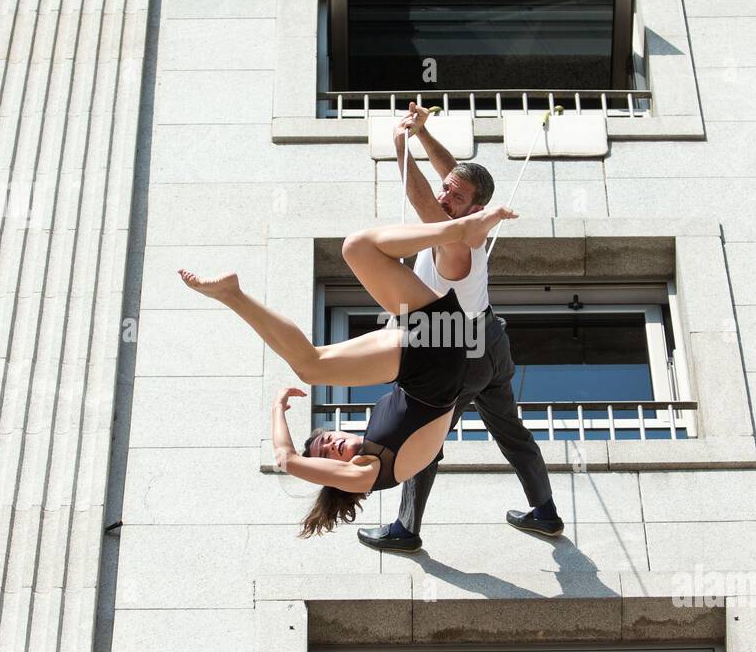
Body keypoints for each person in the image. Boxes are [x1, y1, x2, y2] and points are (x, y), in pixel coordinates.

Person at [177, 206, 514, 538]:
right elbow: (285, 457)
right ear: (332, 474)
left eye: (327, 440)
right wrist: (276, 408)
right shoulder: (365, 475)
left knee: (358, 248)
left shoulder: (375, 445)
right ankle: (232, 295)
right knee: (309, 367)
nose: (332, 443)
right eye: (327, 453)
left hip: (443, 341)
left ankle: (462, 229)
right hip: (435, 363)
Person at [356, 102, 564, 554]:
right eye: (446, 192)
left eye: (455, 198)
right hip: (491, 341)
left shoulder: (454, 243)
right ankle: (545, 514)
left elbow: (423, 201)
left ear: (477, 208)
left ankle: (406, 530)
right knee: (510, 428)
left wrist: (400, 146)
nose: (445, 198)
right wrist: (426, 137)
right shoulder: (465, 225)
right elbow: (452, 175)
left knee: (424, 436)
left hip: (460, 352)